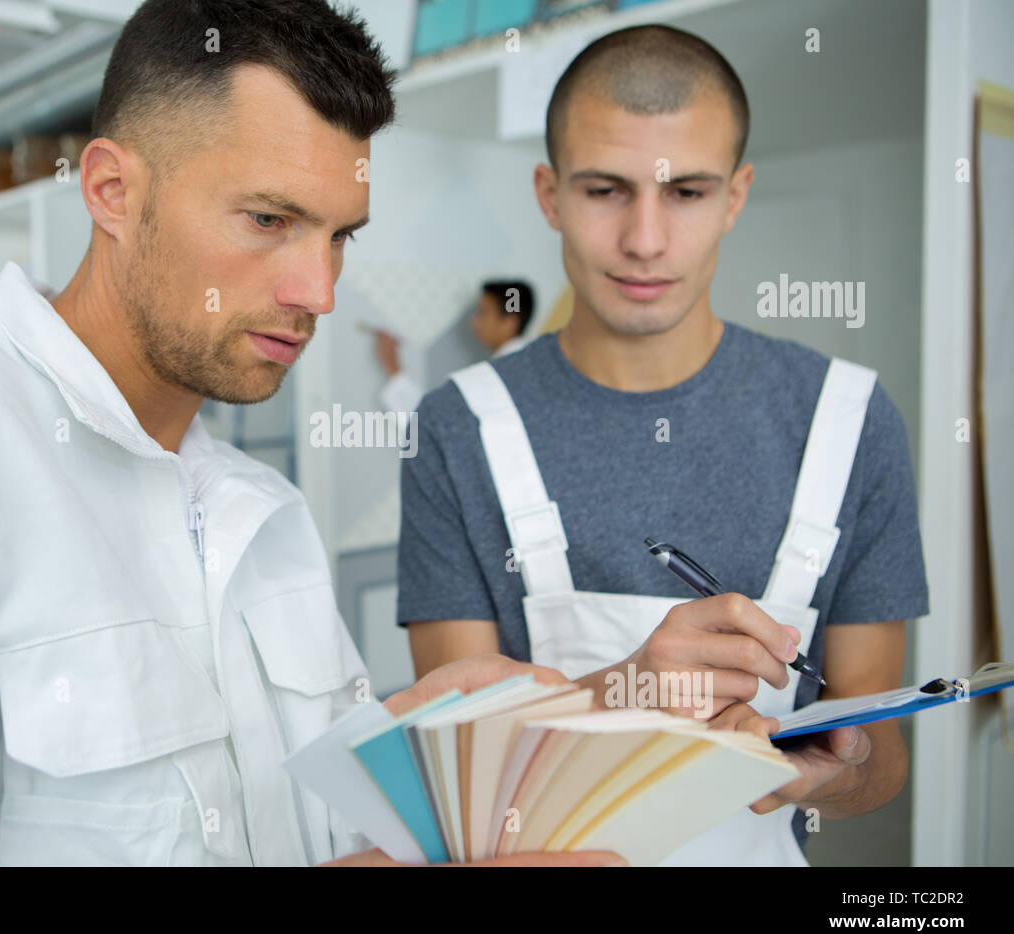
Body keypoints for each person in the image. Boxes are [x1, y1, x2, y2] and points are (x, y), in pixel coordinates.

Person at [0, 0, 627, 868]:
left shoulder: (264, 515)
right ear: (112, 189)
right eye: (269, 219)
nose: (320, 291)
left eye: (340, 235)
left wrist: (410, 744)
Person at [397, 24, 928, 866]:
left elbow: (884, 759)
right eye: (606, 190)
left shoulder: (852, 421)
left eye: (686, 192)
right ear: (549, 193)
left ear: (737, 196)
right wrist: (630, 690)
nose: (645, 240)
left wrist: (836, 771)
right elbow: (455, 775)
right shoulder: (456, 427)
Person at [375, 279, 535, 414]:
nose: (474, 321)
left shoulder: (504, 374)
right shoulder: (526, 366)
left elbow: (438, 426)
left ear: (510, 322)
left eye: (482, 312)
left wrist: (393, 368)